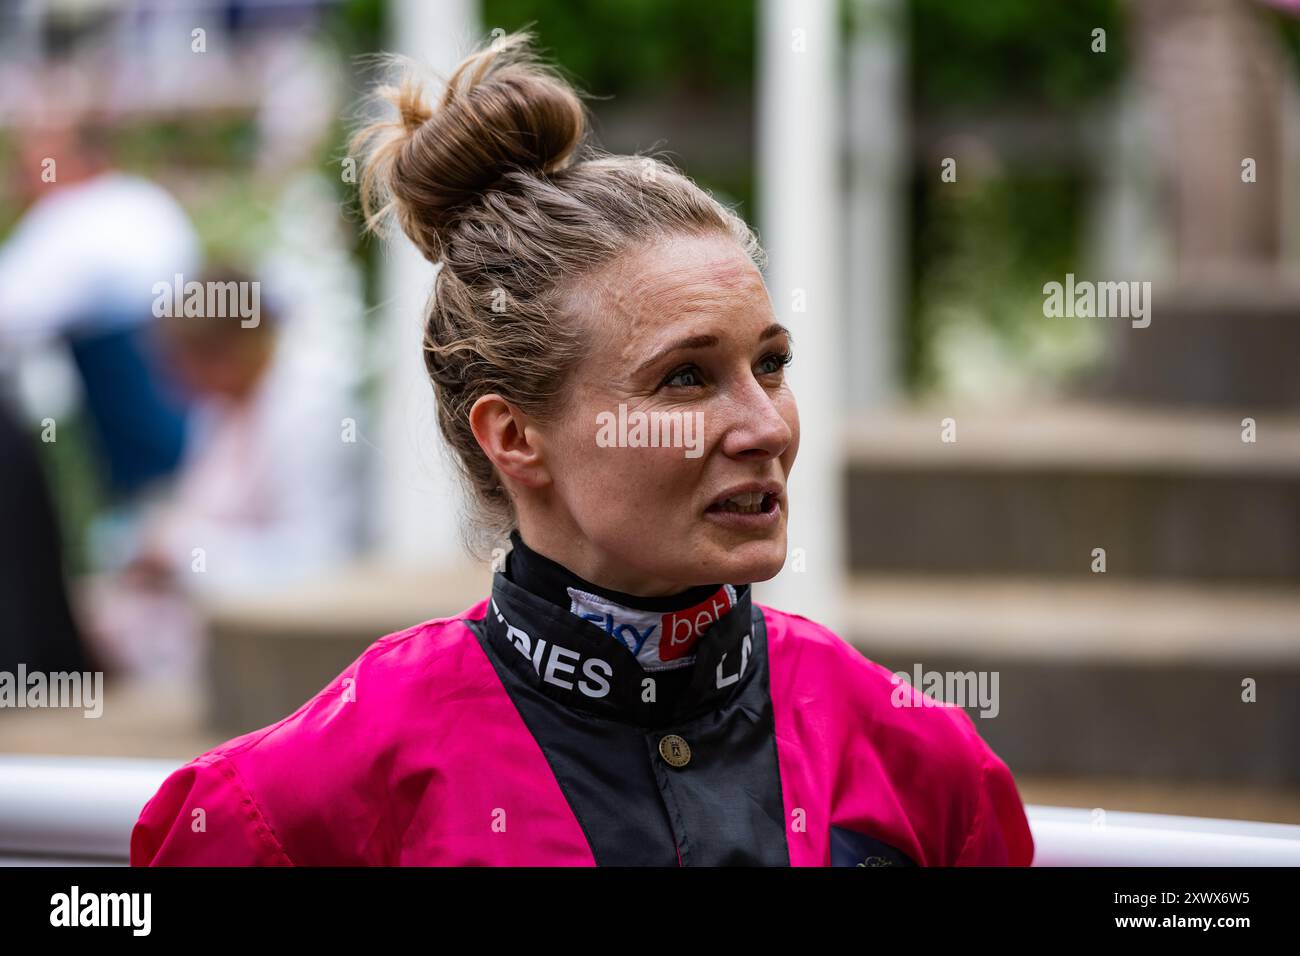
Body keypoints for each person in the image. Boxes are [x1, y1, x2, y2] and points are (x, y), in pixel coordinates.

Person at [130, 30, 1034, 866]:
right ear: (515, 438)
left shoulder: (912, 754)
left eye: (772, 363)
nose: (764, 426)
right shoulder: (313, 787)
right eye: (685, 378)